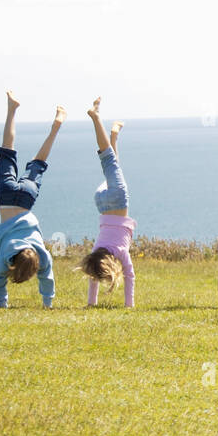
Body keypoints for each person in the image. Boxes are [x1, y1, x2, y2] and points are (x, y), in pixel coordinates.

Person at [0, 91, 62, 308]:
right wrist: (2, 303)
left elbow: (48, 279)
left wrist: (48, 303)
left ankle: (56, 127)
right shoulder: (3, 261)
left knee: (38, 162)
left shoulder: (43, 255)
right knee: (7, 151)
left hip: (26, 199)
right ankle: (12, 109)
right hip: (6, 195)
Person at [80, 98, 136, 307]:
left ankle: (96, 117)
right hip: (101, 202)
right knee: (114, 168)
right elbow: (93, 278)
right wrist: (91, 303)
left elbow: (130, 277)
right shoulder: (96, 249)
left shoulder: (120, 252)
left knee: (108, 161)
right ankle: (114, 135)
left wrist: (129, 306)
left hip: (117, 200)